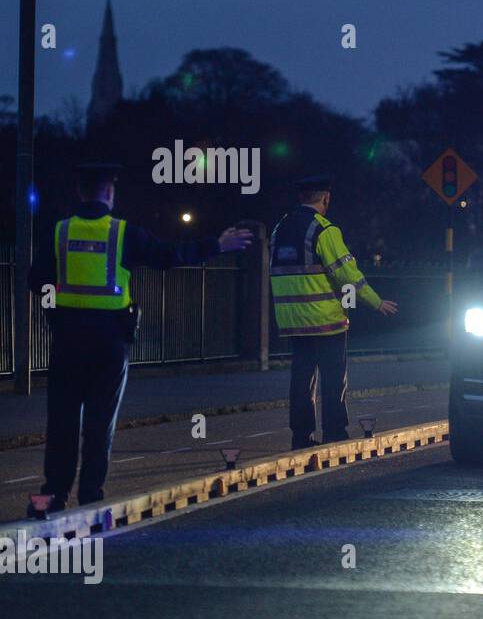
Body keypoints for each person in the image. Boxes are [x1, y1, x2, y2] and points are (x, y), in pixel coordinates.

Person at [25, 162, 253, 519]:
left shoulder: (59, 233)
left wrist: (60, 306)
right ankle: (90, 495)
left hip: (68, 340)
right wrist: (217, 245)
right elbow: (169, 256)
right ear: (109, 193)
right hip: (110, 341)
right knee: (100, 421)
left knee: (62, 421)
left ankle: (53, 494)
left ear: (79, 192)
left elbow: (36, 281)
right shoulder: (123, 233)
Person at [269, 176, 397, 449]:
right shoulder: (325, 230)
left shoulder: (280, 229)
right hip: (325, 320)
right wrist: (375, 302)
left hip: (292, 320)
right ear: (325, 198)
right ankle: (335, 433)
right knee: (333, 378)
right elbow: (347, 275)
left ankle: (301, 437)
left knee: (301, 379)